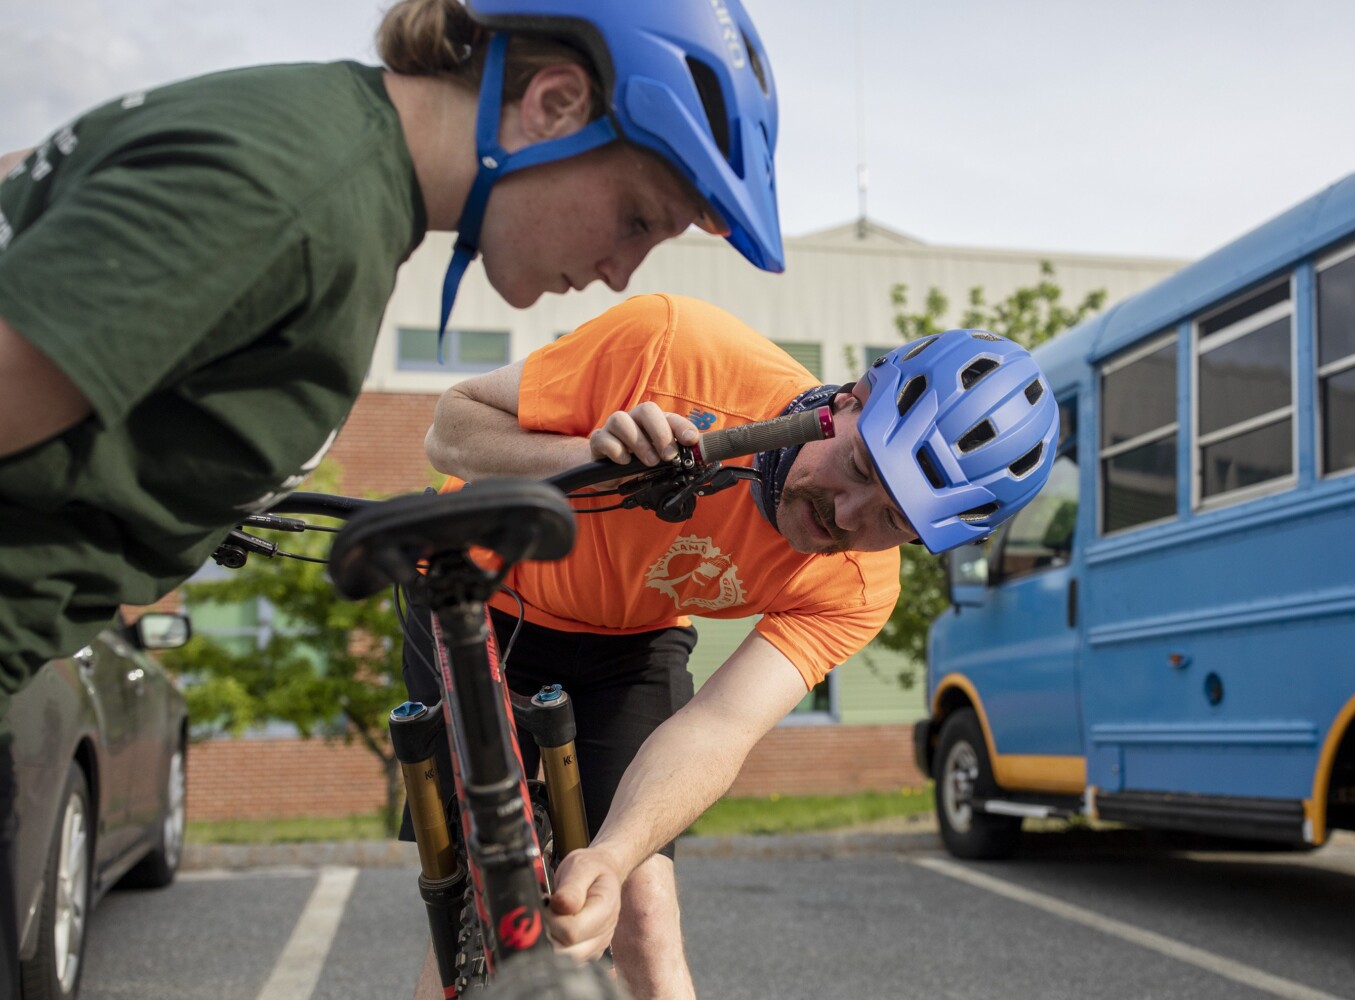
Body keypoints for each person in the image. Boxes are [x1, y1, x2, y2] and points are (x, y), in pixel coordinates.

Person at [0, 0, 781, 993]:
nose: (621, 270)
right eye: (636, 218)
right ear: (554, 102)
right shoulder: (299, 191)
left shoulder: (331, 177)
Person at [409, 292, 1060, 998]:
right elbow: (449, 431)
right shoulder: (672, 346)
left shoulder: (860, 587)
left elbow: (722, 727)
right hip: (469, 587)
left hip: (630, 637)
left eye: (890, 519)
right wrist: (592, 457)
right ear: (844, 402)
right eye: (863, 469)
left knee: (647, 915)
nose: (843, 516)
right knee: (472, 900)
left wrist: (612, 857)